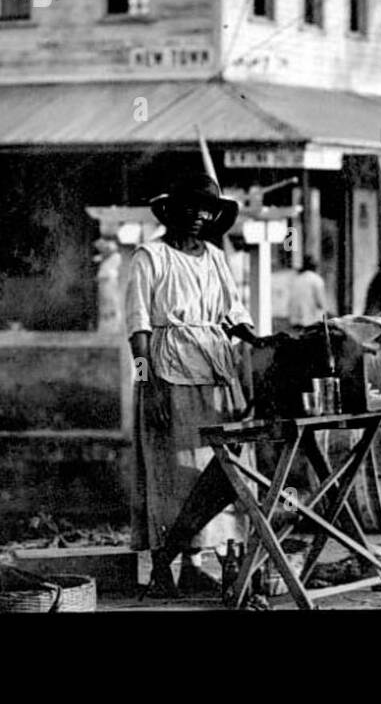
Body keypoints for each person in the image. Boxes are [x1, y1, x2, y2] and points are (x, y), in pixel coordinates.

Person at [126, 174, 256, 597]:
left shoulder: (216, 258)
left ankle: (199, 564)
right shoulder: (151, 257)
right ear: (172, 209)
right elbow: (139, 327)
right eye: (191, 208)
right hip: (168, 374)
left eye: (208, 210)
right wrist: (151, 386)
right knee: (173, 472)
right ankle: (163, 567)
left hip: (217, 373)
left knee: (216, 470)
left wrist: (263, 344)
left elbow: (235, 314)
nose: (199, 217)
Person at [288, 255, 328, 327]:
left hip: (296, 320)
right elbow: (321, 303)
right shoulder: (316, 279)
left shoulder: (296, 279)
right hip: (311, 321)